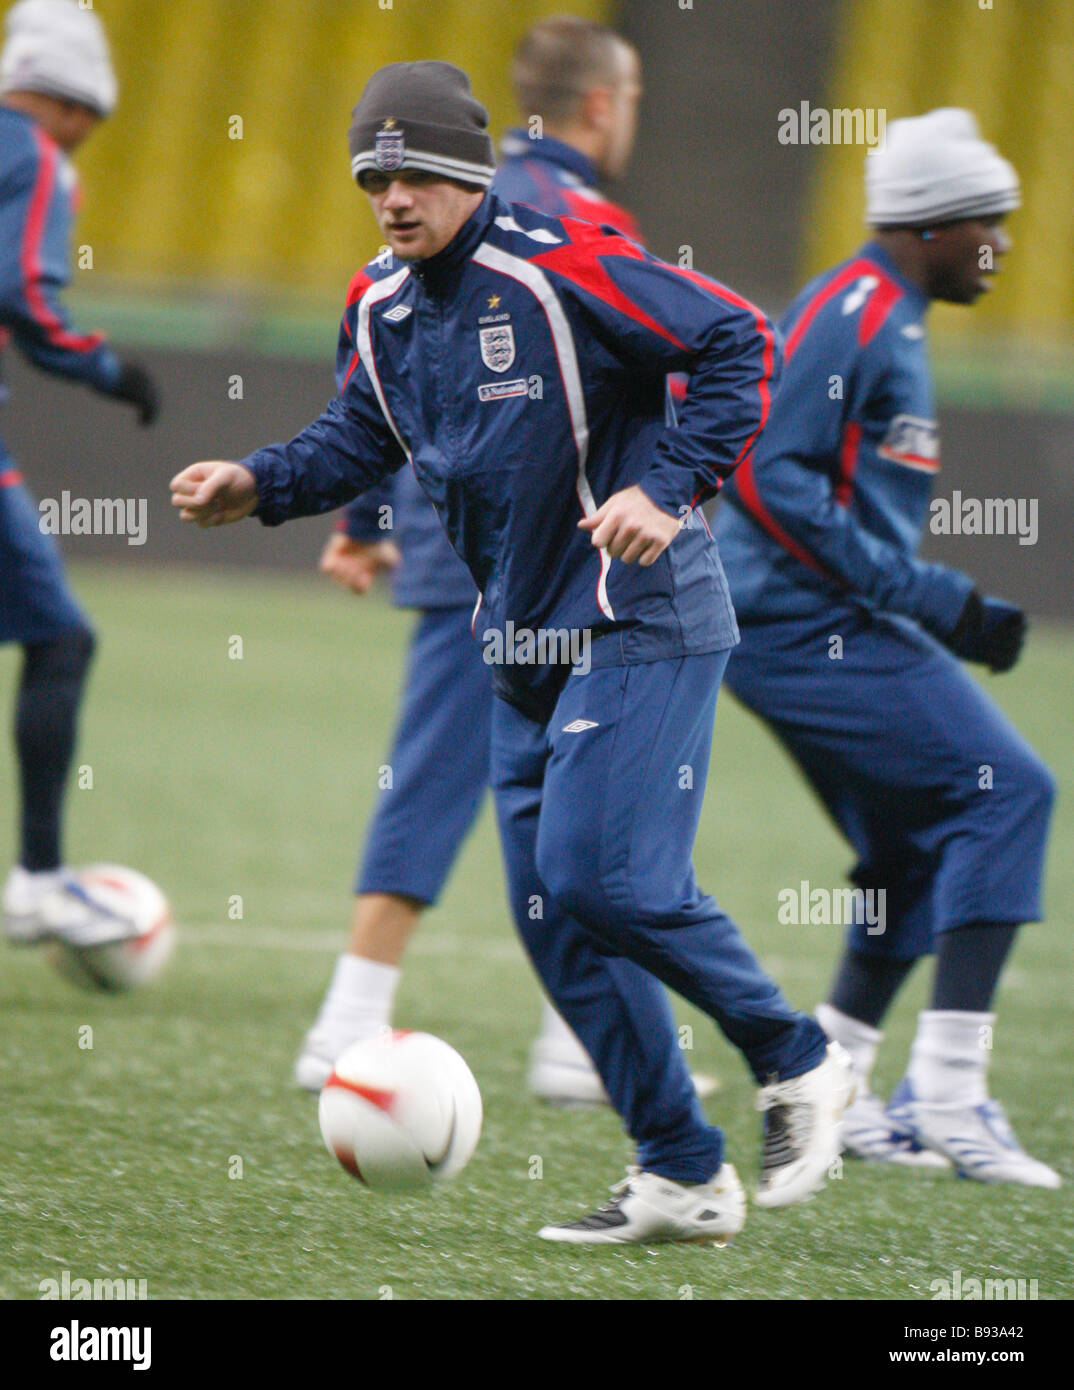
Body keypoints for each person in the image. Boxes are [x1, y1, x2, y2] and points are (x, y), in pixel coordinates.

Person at [171, 60, 851, 1245]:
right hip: (522, 642)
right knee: (552, 914)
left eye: (419, 171)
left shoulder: (557, 263)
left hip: (643, 609)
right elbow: (357, 433)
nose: (393, 195)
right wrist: (259, 483)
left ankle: (799, 1057)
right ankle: (684, 1169)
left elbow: (741, 340)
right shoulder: (378, 306)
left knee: (602, 876)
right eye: (375, 175)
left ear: (472, 173)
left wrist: (665, 483)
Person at [298, 15, 715, 1109]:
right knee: (601, 790)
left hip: (451, 536)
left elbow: (372, 361)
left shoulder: (425, 199)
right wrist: (669, 493)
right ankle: (571, 1045)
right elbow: (665, 373)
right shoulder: (565, 218)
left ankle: (351, 1013)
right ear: (599, 106)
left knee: (436, 766)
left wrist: (360, 518)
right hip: (553, 548)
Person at [713, 109, 1059, 1187]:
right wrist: (939, 599)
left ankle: (843, 1084)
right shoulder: (859, 310)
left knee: (915, 851)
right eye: (989, 224)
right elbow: (771, 473)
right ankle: (951, 1093)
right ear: (935, 222)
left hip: (805, 618)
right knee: (1009, 791)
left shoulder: (886, 310)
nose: (1001, 245)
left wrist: (920, 601)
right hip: (794, 622)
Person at [0, 0, 159, 947]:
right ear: (74, 104)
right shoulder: (36, 153)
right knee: (60, 636)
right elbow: (21, 292)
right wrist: (109, 368)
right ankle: (37, 880)